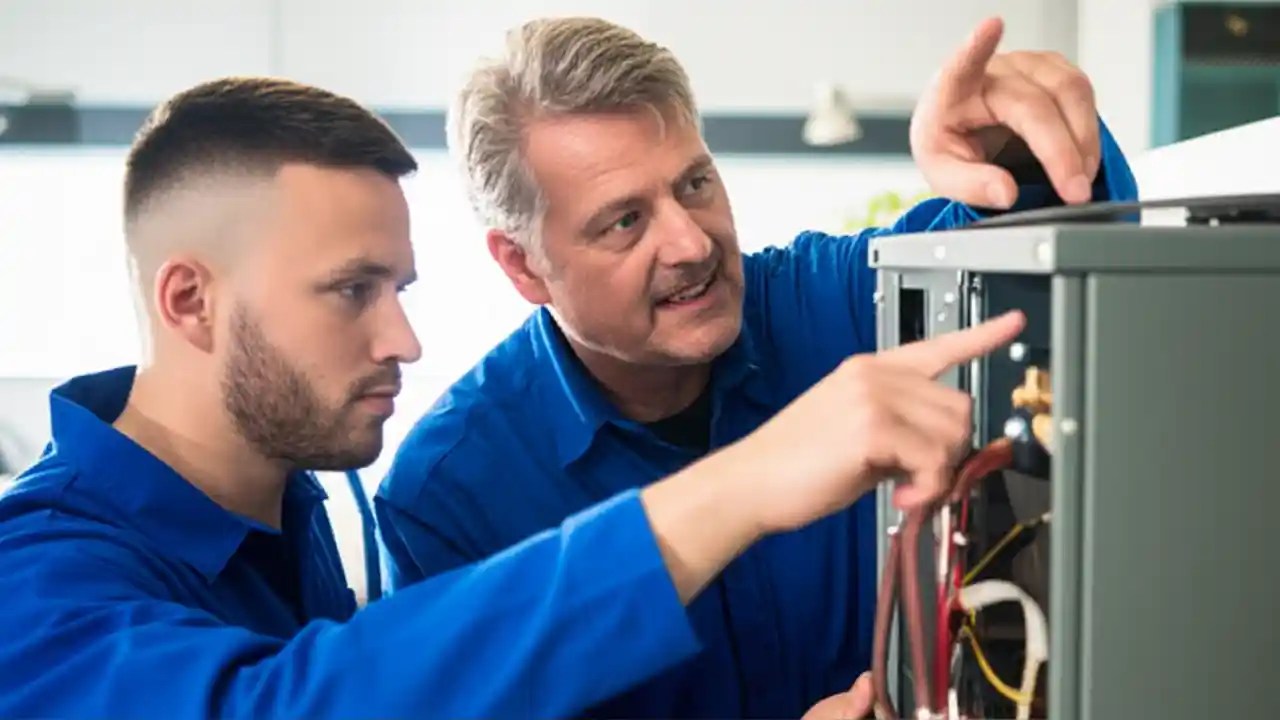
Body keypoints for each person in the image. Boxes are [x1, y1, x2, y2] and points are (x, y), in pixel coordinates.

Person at [0, 76, 1027, 720]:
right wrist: (744, 486)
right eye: (350, 291)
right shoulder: (33, 584)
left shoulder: (283, 514)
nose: (401, 338)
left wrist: (1014, 162)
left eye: (396, 289)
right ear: (191, 299)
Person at [375, 15, 1140, 719]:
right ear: (524, 268)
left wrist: (1007, 148)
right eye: (625, 221)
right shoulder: (448, 497)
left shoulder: (830, 302)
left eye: (695, 184)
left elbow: (1011, 246)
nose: (691, 244)